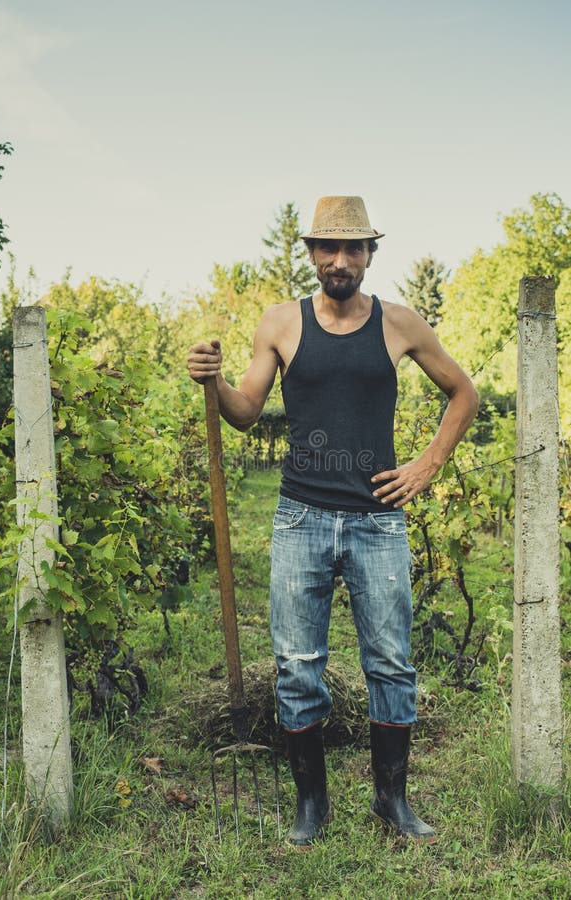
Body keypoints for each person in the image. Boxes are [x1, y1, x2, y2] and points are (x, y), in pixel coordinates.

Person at [187, 196, 478, 847]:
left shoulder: (400, 323)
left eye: (352, 248)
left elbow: (463, 391)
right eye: (327, 247)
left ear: (371, 253)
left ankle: (391, 801)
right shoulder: (280, 323)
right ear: (311, 253)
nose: (339, 259)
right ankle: (311, 806)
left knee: (390, 664)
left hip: (377, 522)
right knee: (296, 666)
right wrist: (211, 382)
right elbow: (243, 410)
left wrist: (425, 465)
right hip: (301, 521)